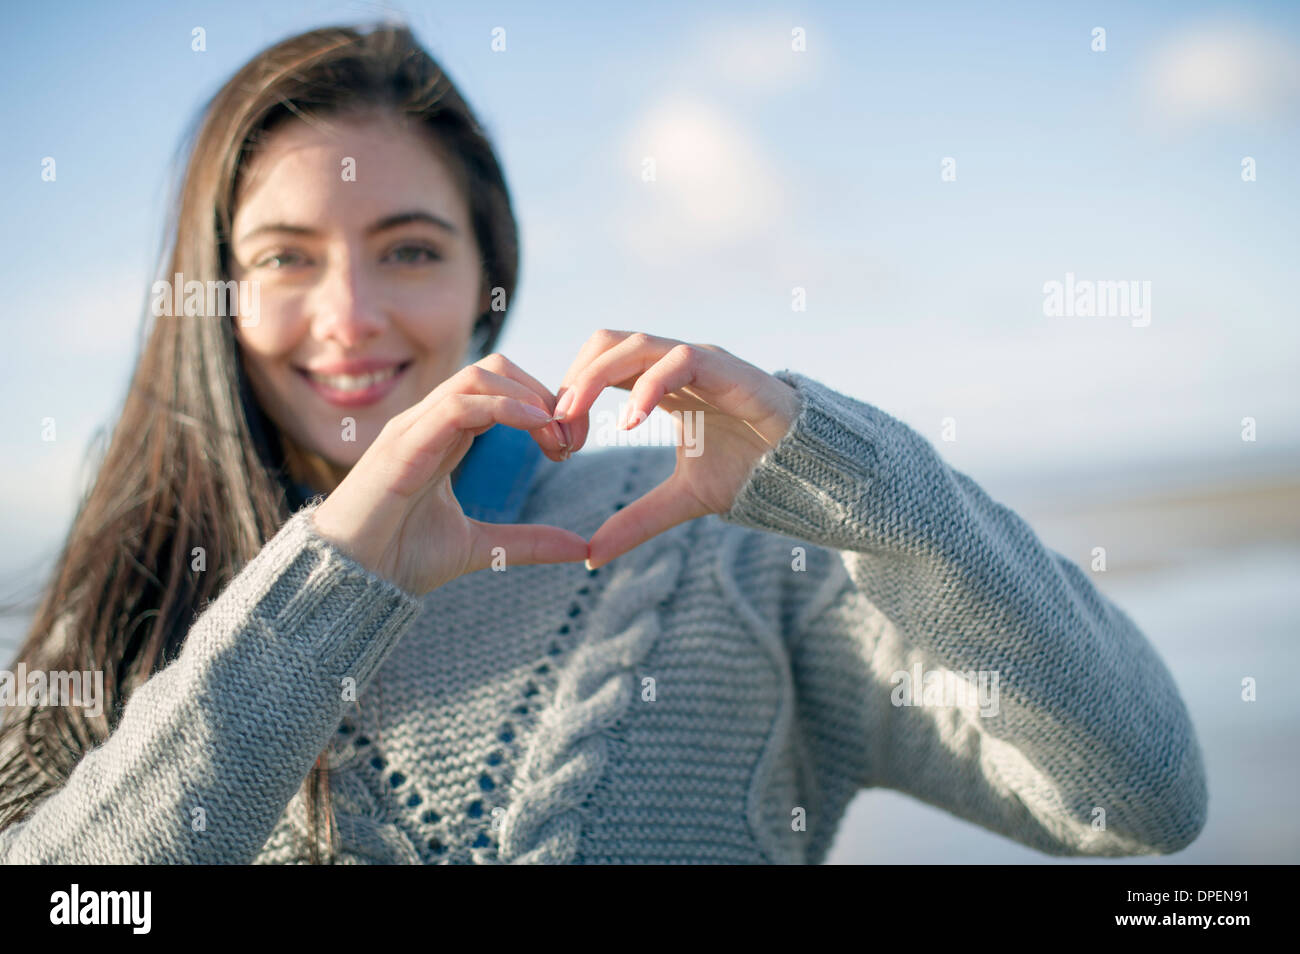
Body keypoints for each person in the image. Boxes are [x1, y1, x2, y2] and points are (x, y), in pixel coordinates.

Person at [0, 22, 1208, 864]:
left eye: (411, 249)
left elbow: (1140, 799)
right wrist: (328, 590)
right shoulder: (104, 615)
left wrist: (856, 487)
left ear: (489, 282)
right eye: (284, 257)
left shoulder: (720, 551)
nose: (352, 315)